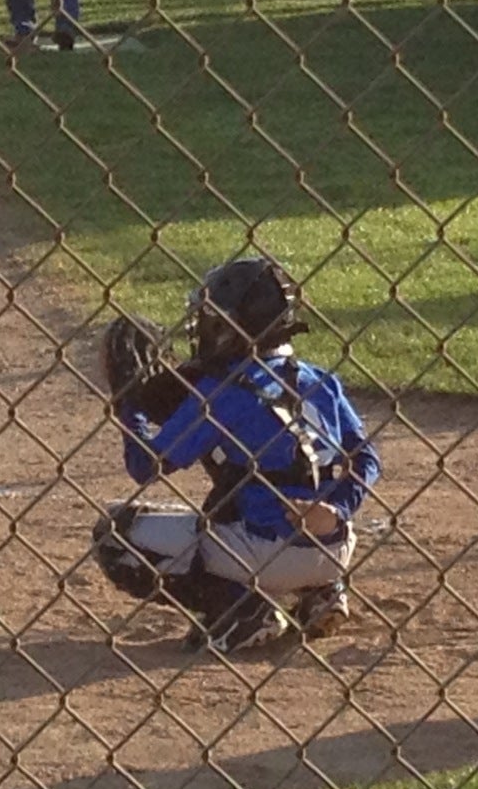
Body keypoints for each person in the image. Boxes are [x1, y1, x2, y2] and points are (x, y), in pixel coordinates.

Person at [92, 257, 382, 652]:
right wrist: (338, 510)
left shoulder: (224, 393)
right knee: (244, 468)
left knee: (113, 536)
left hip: (265, 552)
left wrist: (129, 407)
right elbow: (366, 459)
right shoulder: (320, 379)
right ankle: (323, 591)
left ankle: (243, 612)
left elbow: (145, 465)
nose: (203, 327)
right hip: (336, 545)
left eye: (213, 318)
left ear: (235, 328)